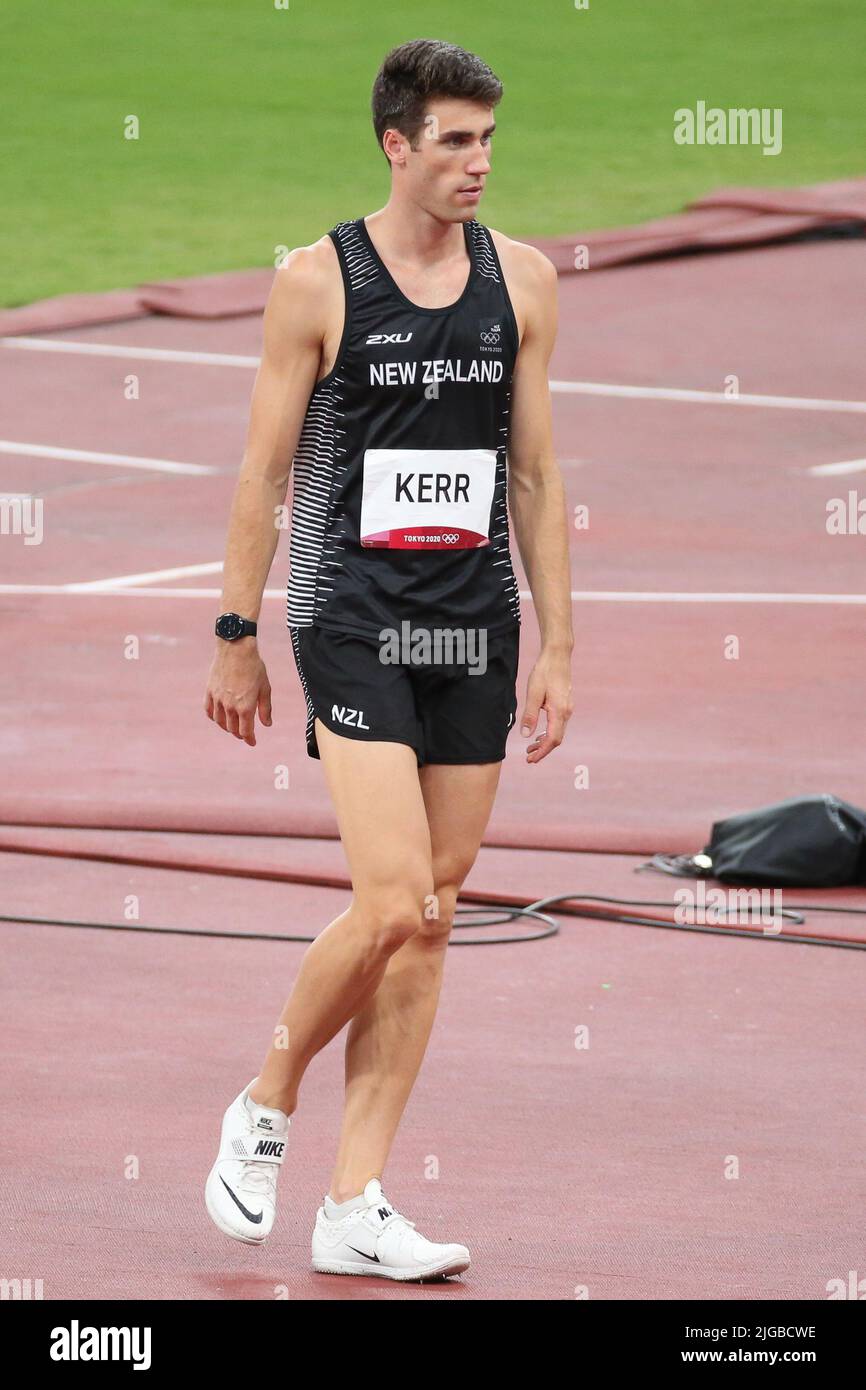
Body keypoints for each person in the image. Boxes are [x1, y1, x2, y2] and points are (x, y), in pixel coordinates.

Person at [203, 37, 573, 1282]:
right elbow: (260, 473)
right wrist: (236, 633)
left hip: (472, 619)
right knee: (390, 895)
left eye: (487, 139)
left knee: (434, 915)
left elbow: (530, 470)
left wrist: (556, 645)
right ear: (395, 145)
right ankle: (263, 1102)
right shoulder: (318, 283)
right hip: (352, 612)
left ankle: (353, 1202)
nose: (478, 162)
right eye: (455, 140)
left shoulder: (519, 281)